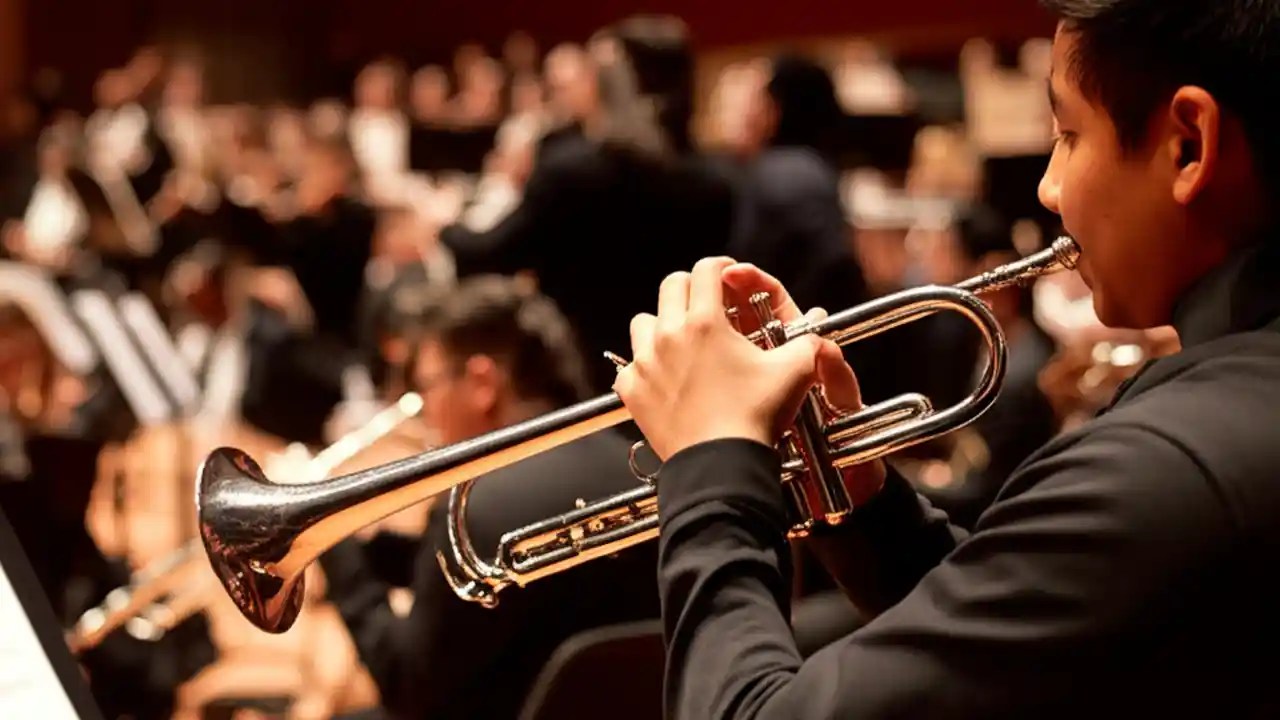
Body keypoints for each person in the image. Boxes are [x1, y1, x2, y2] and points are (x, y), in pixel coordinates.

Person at [612, 1, 1280, 717]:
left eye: (1068, 133)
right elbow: (1025, 648)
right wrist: (858, 495)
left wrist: (711, 465)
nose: (1048, 187)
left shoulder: (1163, 468)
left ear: (1188, 145)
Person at [319, 275, 661, 720]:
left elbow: (405, 684)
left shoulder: (467, 510)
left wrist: (333, 547)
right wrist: (383, 554)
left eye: (428, 387)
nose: (426, 412)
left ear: (482, 382)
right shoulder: (645, 465)